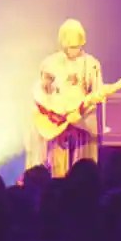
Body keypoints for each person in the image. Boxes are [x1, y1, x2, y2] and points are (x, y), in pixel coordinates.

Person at [29, 19, 103, 177]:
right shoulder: (49, 63)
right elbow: (41, 94)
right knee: (57, 168)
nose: (73, 51)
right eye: (69, 47)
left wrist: (80, 111)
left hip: (82, 123)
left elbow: (97, 93)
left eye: (76, 47)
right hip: (58, 124)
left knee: (83, 169)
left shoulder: (92, 64)